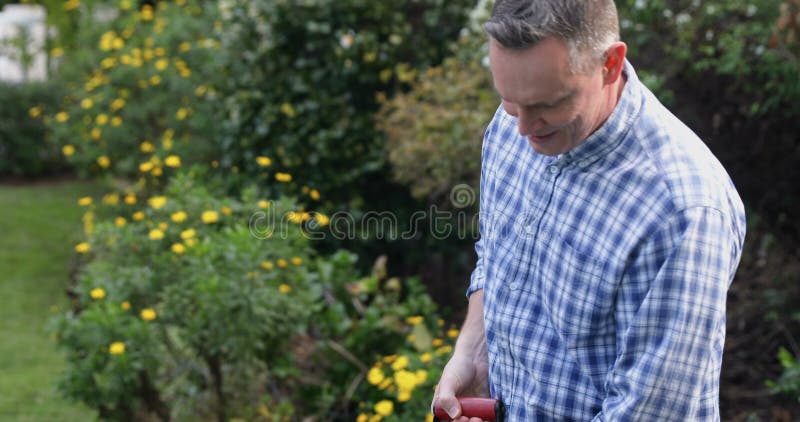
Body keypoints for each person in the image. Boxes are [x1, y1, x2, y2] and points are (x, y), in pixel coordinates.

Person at [432, 0, 747, 420]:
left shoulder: (682, 211)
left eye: (548, 105)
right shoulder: (516, 121)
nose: (524, 128)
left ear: (611, 64)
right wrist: (473, 352)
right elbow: (496, 257)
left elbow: (645, 414)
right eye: (509, 100)